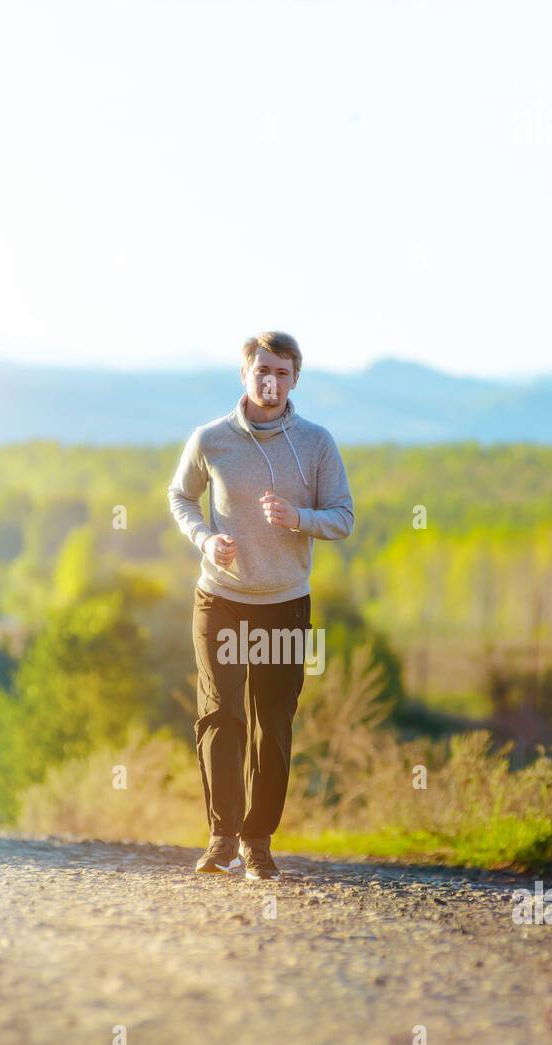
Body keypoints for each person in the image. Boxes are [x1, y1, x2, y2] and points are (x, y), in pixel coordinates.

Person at [168, 331, 354, 879]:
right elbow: (180, 496)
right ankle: (221, 836)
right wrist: (204, 538)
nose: (270, 382)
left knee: (272, 724)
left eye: (282, 372)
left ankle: (258, 840)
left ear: (295, 379)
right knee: (221, 714)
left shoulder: (317, 444)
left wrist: (300, 519)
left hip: (284, 604)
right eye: (261, 371)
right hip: (220, 598)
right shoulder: (211, 440)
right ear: (245, 375)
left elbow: (343, 517)